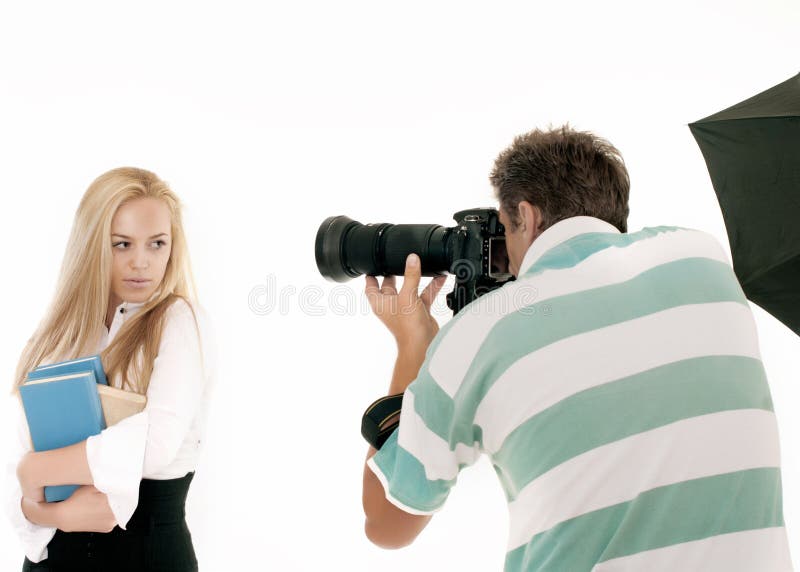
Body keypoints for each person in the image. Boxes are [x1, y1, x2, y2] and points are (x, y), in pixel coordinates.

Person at [361, 126, 793, 571]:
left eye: (506, 231)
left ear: (526, 217)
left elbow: (386, 524)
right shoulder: (704, 259)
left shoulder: (479, 334)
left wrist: (414, 344)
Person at [6, 167, 215, 571]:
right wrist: (55, 514)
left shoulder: (179, 319)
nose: (142, 262)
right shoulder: (59, 331)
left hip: (147, 556)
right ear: (92, 245)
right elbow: (17, 460)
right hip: (51, 559)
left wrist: (37, 470)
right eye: (122, 244)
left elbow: (155, 448)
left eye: (157, 244)